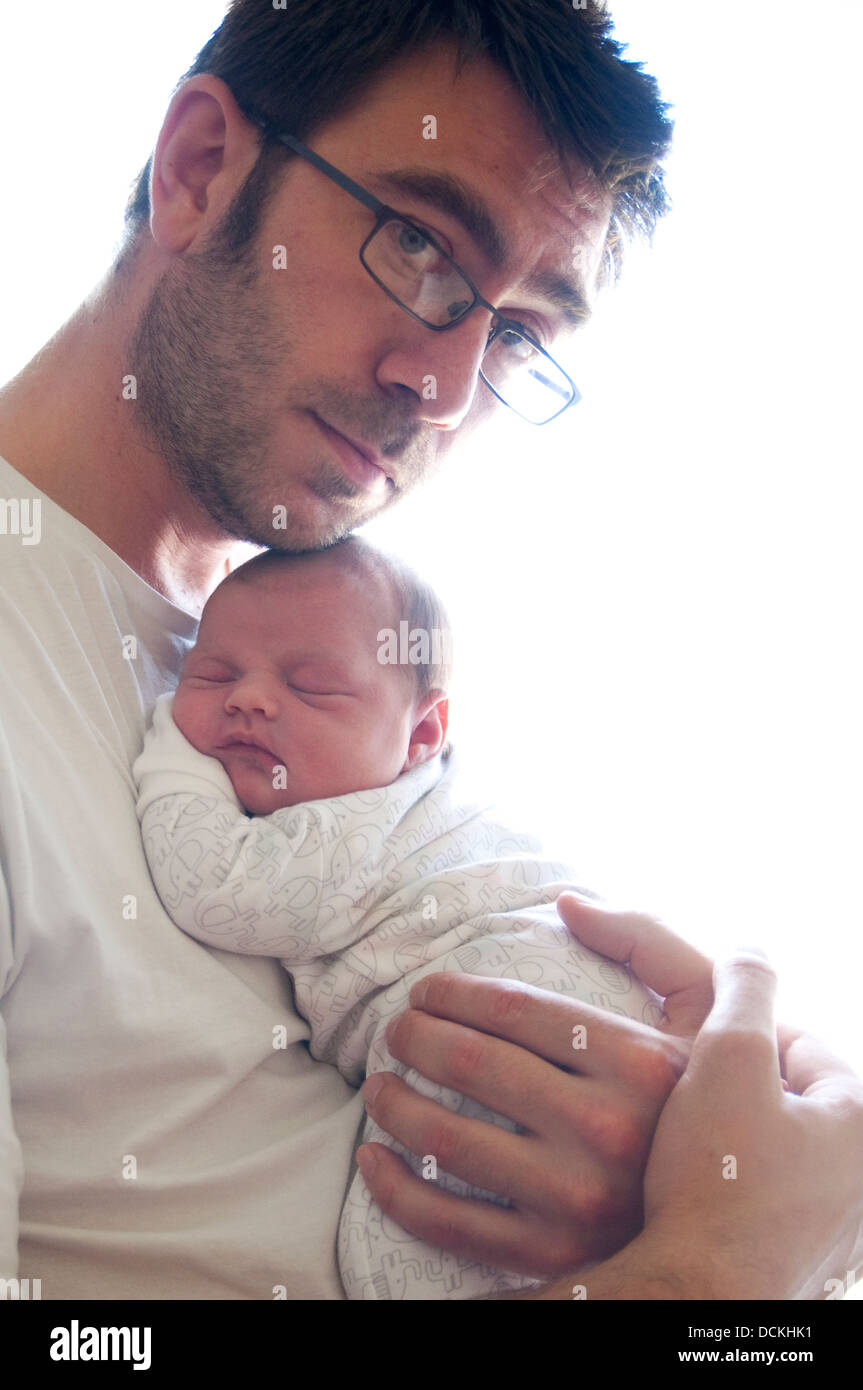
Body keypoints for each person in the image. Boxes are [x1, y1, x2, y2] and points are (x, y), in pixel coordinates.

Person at [0, 0, 859, 1300]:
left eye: (516, 335)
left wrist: (672, 1136)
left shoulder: (307, 680)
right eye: (418, 246)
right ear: (199, 171)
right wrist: (720, 1277)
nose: (448, 387)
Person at [133, 538, 665, 1299]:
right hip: (591, 1008)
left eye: (312, 688)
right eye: (211, 674)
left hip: (518, 1001)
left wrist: (173, 752)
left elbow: (217, 885)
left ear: (420, 737)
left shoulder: (357, 821)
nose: (247, 698)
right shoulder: (427, 797)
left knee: (398, 1251)